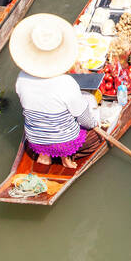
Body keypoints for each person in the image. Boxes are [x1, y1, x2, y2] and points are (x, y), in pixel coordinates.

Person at [11, 13, 101, 171]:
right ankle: (66, 157)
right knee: (96, 137)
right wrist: (94, 124)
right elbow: (84, 118)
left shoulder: (22, 78)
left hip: (35, 140)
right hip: (63, 142)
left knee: (49, 123)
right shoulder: (65, 83)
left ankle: (44, 156)